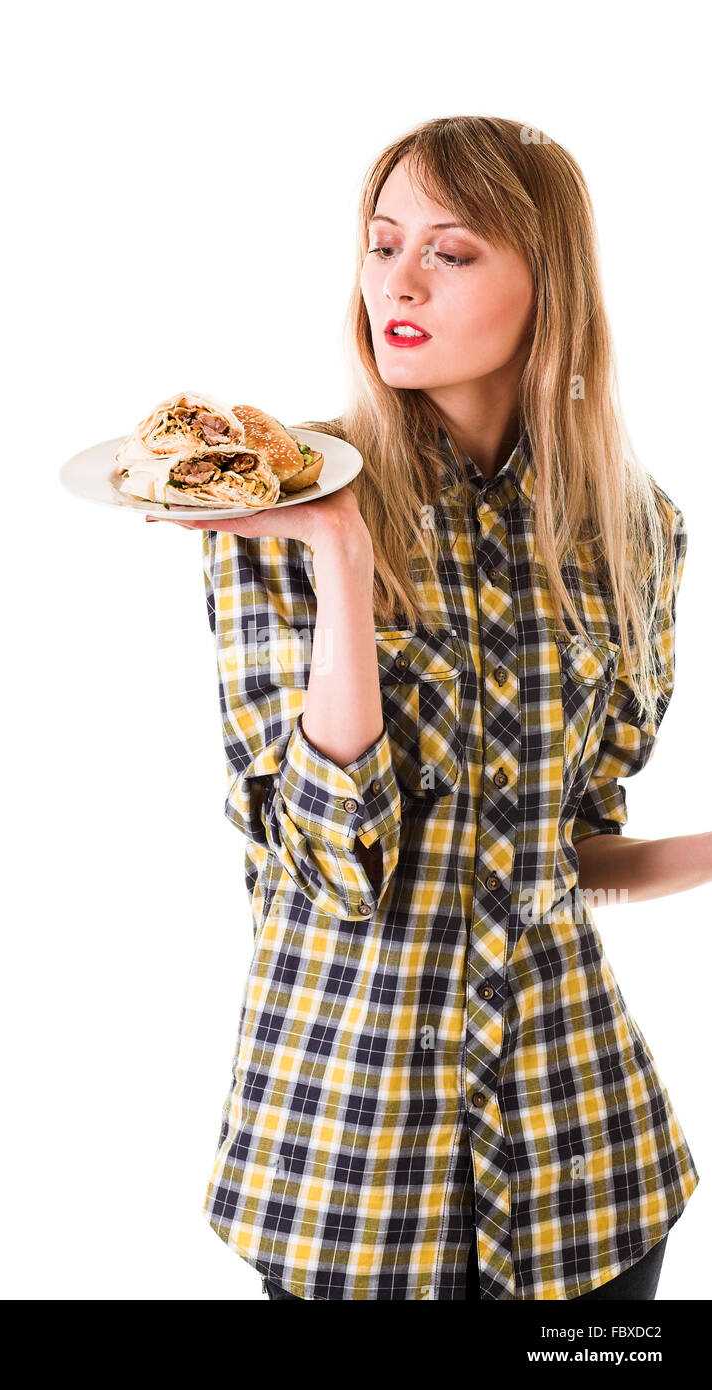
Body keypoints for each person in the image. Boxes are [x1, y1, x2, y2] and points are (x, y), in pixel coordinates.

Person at [146, 115, 705, 1300]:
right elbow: (330, 868)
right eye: (380, 241)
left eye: (449, 253)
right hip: (352, 1174)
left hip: (584, 1167)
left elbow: (570, 851)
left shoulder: (635, 529)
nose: (394, 281)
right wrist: (341, 555)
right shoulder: (283, 498)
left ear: (545, 284)